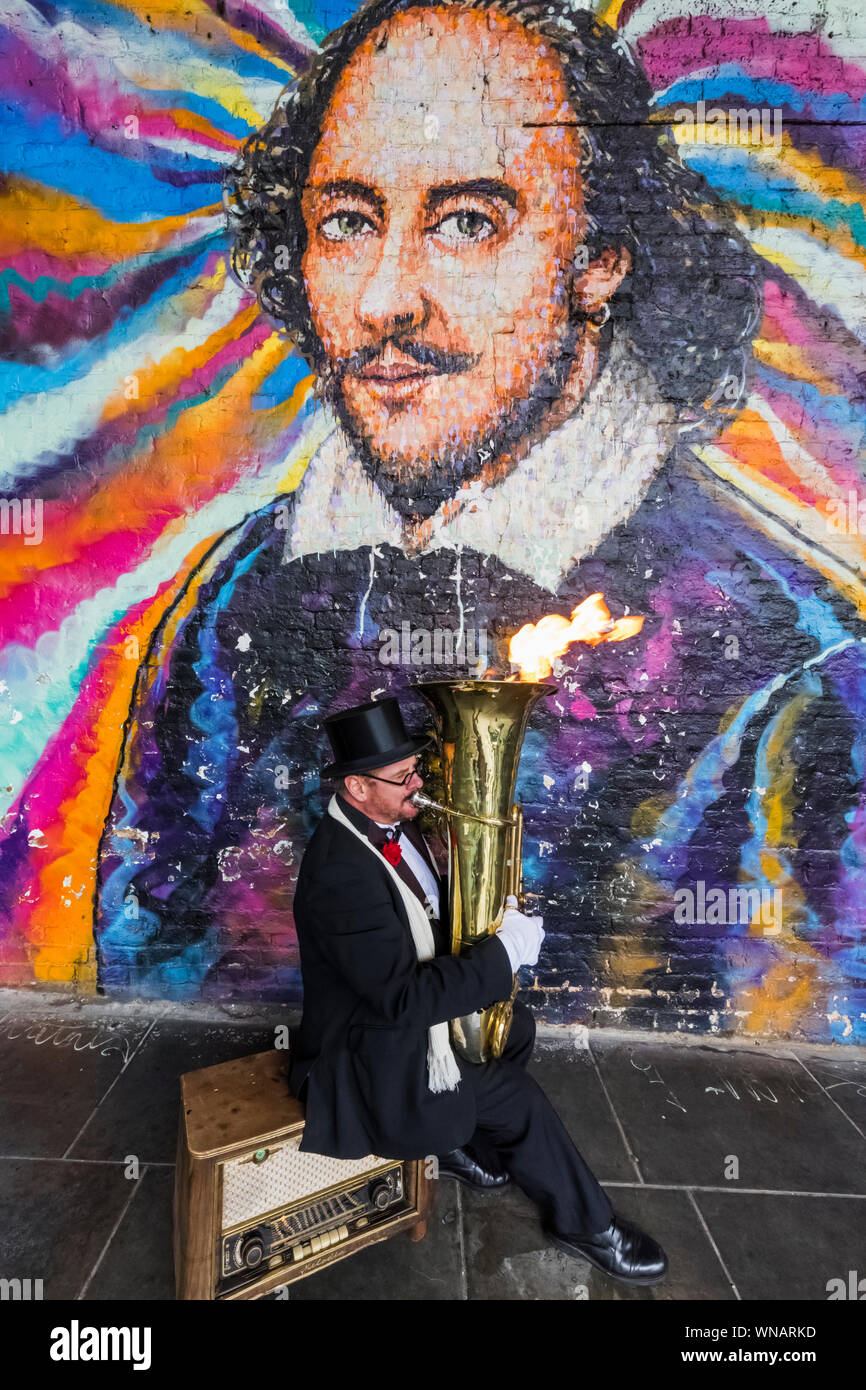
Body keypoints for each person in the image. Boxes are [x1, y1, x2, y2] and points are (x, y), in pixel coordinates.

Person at [95, 0, 866, 1049]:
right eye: (346, 221)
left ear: (599, 257)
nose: (383, 299)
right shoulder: (240, 590)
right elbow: (150, 944)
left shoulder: (795, 675)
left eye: (467, 221)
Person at [288, 694, 668, 1285]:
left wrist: (493, 909)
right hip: (360, 1055)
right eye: (403, 777)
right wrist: (503, 951)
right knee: (516, 1099)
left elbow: (421, 916)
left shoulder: (388, 826)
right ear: (357, 788)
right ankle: (585, 1223)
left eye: (416, 769)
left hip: (389, 1019)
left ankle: (457, 1137)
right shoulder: (339, 873)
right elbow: (404, 999)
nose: (418, 783)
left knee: (513, 1027)